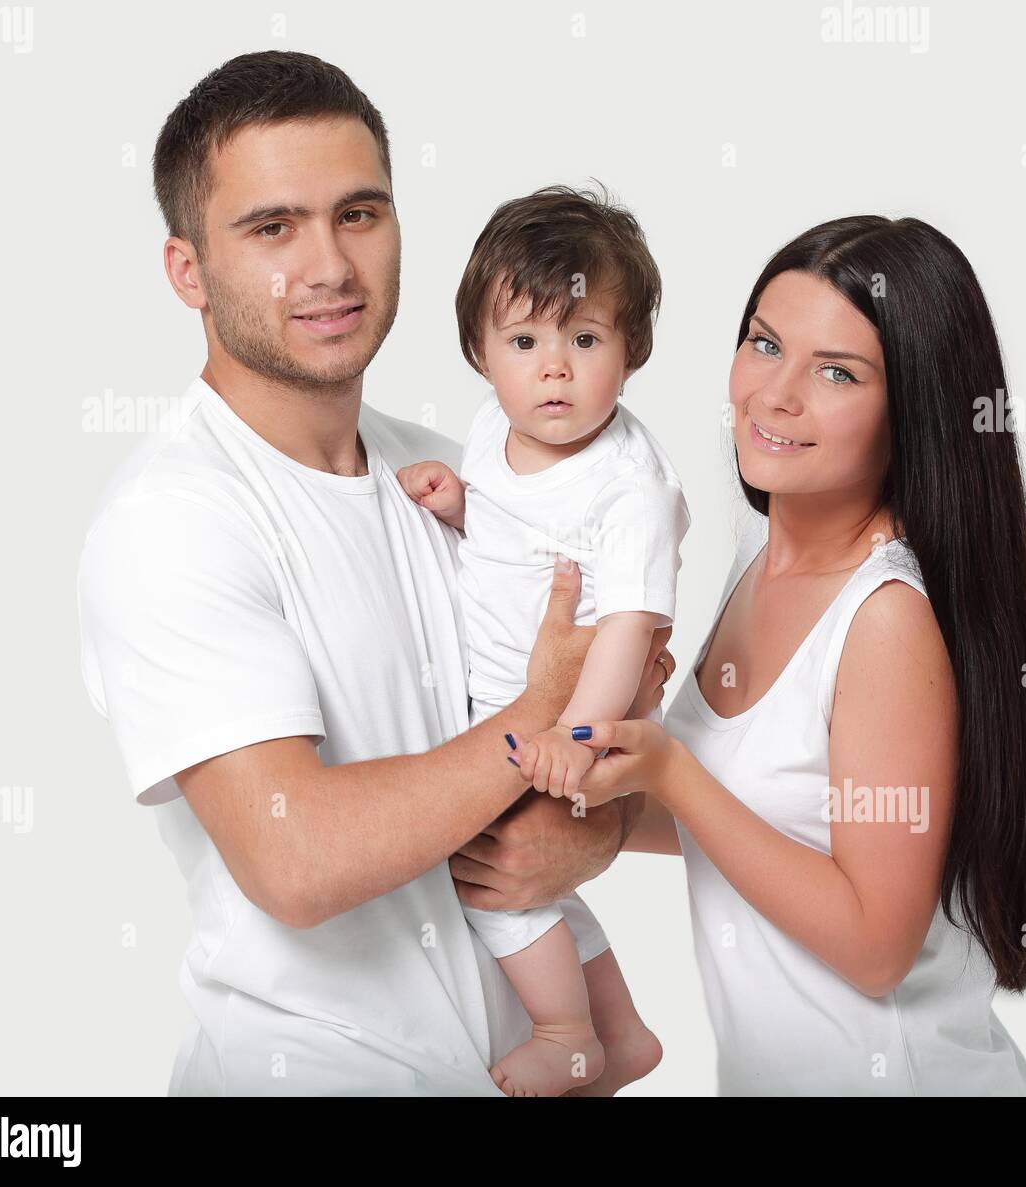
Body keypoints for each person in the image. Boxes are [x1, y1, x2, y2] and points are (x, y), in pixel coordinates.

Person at [76, 50, 671, 1096]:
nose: (330, 267)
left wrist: (595, 828)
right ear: (187, 271)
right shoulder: (171, 520)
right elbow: (295, 859)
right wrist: (541, 716)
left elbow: (633, 749)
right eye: (273, 227)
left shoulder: (461, 471)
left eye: (359, 214)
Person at [511, 216, 1026, 1095]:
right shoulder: (759, 549)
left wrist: (667, 772)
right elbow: (770, 815)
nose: (775, 394)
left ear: (914, 411)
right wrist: (601, 812)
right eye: (764, 344)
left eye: (837, 372)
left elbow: (876, 943)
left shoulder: (883, 619)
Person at [396, 185, 689, 1095]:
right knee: (540, 883)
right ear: (481, 355)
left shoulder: (627, 488)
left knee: (488, 883)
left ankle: (567, 1030)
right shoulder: (493, 434)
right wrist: (460, 510)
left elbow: (631, 625)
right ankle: (625, 1031)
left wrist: (581, 731)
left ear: (632, 351)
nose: (554, 371)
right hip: (497, 702)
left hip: (552, 721)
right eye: (525, 343)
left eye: (586, 341)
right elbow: (510, 545)